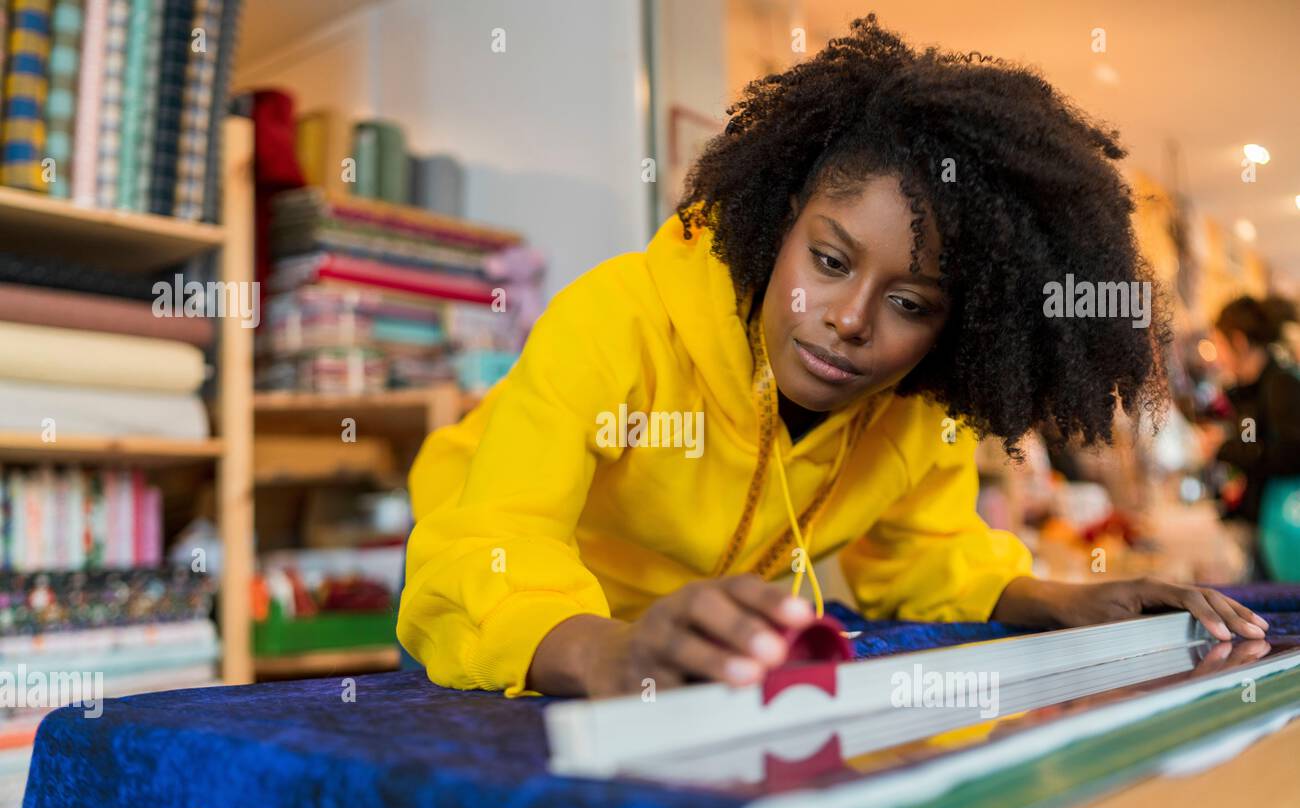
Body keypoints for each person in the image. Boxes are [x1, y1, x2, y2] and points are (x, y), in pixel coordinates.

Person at [398, 15, 1269, 698]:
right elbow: (486, 550)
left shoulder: (916, 413)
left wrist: (1058, 598)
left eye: (909, 303)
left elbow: (929, 557)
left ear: (958, 329)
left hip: (695, 679)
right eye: (829, 259)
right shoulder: (616, 320)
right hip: (514, 647)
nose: (850, 320)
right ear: (778, 224)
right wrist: (608, 652)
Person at [1202, 295, 1300, 577]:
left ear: (1239, 341)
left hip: (1283, 530)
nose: (1217, 355)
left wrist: (1226, 448)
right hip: (1261, 528)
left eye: (1218, 344)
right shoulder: (1248, 392)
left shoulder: (1282, 385)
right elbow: (1252, 448)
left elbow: (1290, 454)